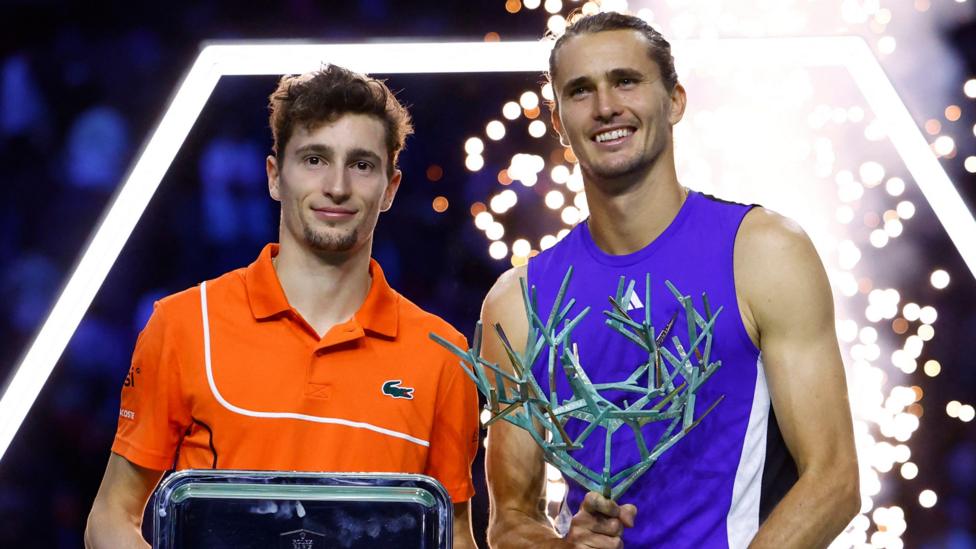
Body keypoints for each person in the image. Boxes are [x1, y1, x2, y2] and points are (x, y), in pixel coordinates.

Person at [480, 12, 860, 548]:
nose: (606, 106)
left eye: (626, 81)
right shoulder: (518, 301)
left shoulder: (763, 252)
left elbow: (834, 480)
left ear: (675, 100)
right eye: (581, 90)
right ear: (560, 121)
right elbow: (510, 521)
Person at [85, 65, 480, 548]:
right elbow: (111, 517)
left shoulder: (442, 356)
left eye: (361, 164)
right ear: (275, 176)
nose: (337, 185)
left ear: (390, 187)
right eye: (314, 159)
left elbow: (454, 535)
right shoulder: (184, 324)